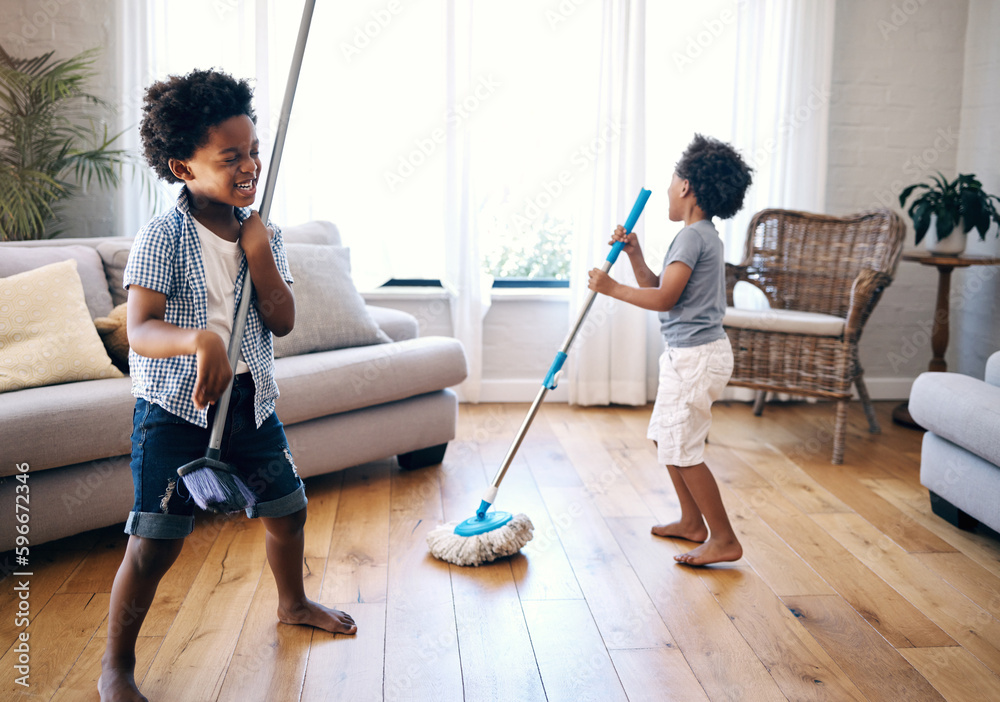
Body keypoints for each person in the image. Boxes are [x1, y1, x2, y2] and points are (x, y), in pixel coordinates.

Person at [100, 69, 356, 702]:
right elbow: (140, 329)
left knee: (287, 510)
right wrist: (201, 340)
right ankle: (115, 666)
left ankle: (292, 602)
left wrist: (262, 254)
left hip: (250, 403)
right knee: (154, 542)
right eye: (231, 157)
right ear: (183, 167)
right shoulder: (165, 235)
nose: (250, 165)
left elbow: (283, 320)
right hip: (175, 412)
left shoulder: (257, 229)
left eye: (253, 150)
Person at [587, 134, 753, 567]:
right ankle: (691, 521)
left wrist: (610, 288)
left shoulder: (692, 239)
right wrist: (635, 256)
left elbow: (661, 301)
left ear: (685, 187)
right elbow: (662, 290)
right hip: (690, 354)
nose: (666, 189)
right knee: (668, 436)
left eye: (671, 180)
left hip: (695, 358)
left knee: (683, 447)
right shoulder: (701, 237)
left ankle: (724, 539)